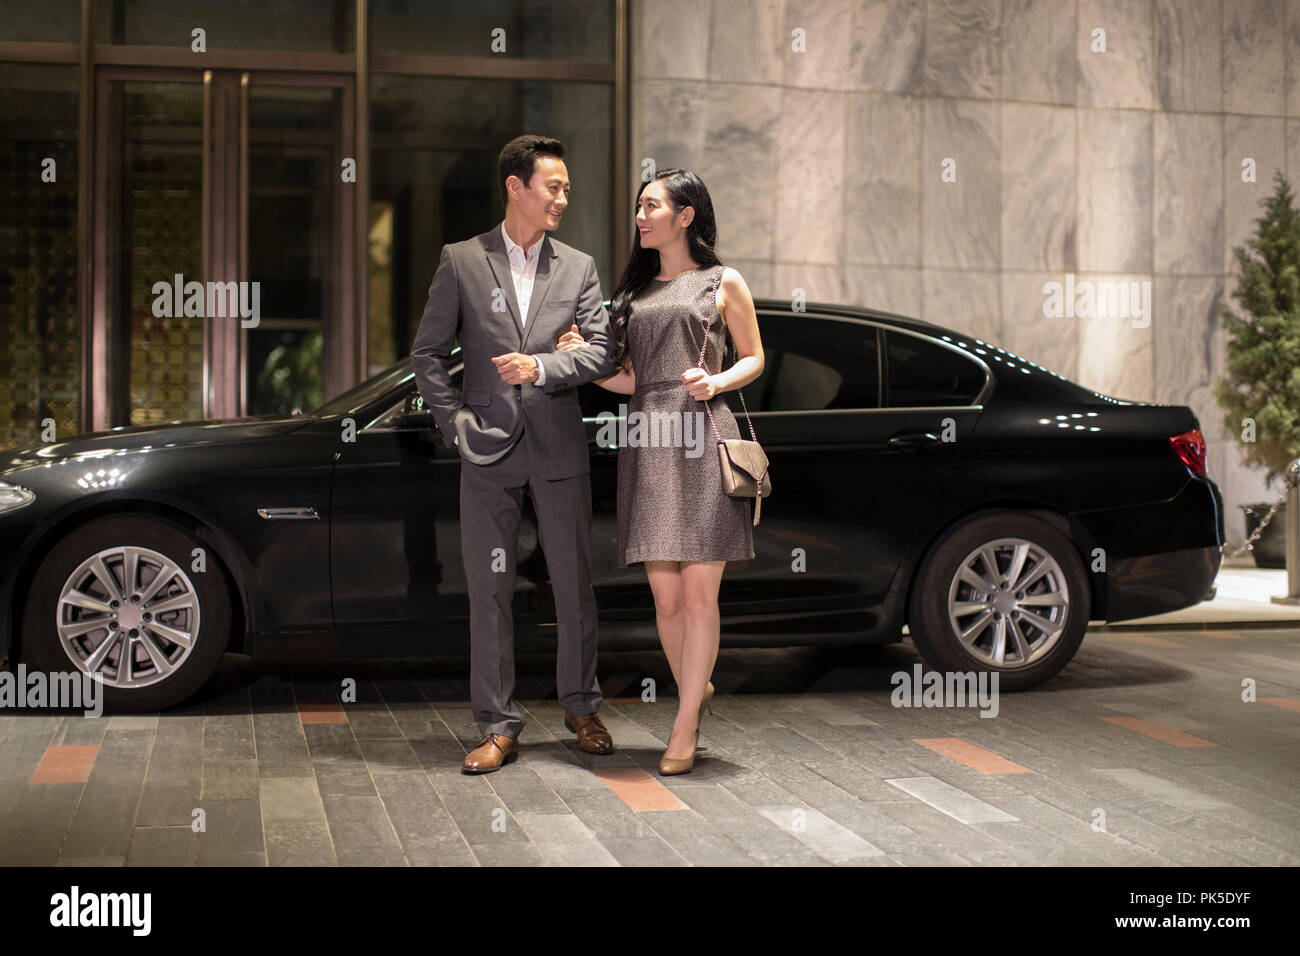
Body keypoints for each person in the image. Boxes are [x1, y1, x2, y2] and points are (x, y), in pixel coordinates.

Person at [411, 134, 618, 773]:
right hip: (488, 451)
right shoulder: (461, 260)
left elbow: (604, 351)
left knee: (574, 587)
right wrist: (456, 426)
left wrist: (544, 365)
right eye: (553, 186)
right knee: (489, 591)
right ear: (515, 186)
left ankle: (582, 707)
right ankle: (498, 726)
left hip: (558, 446)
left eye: (565, 189)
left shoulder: (579, 267)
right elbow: (427, 354)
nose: (562, 198)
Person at [556, 168, 764, 775]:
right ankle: (696, 688)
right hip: (648, 443)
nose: (641, 217)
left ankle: (685, 720)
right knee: (665, 598)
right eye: (639, 207)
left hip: (704, 437)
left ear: (686, 215)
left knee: (700, 596)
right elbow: (631, 381)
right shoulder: (635, 294)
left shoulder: (723, 282)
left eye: (651, 206)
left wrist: (717, 379)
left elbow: (753, 356)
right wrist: (582, 364)